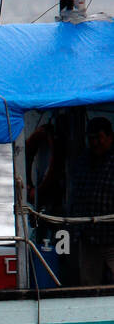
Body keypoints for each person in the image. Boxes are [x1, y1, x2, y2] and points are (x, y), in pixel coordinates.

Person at [70, 116, 114, 285]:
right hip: (88, 236)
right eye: (91, 138)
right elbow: (76, 195)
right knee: (88, 283)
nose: (95, 142)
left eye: (99, 138)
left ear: (110, 137)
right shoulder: (83, 160)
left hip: (111, 237)